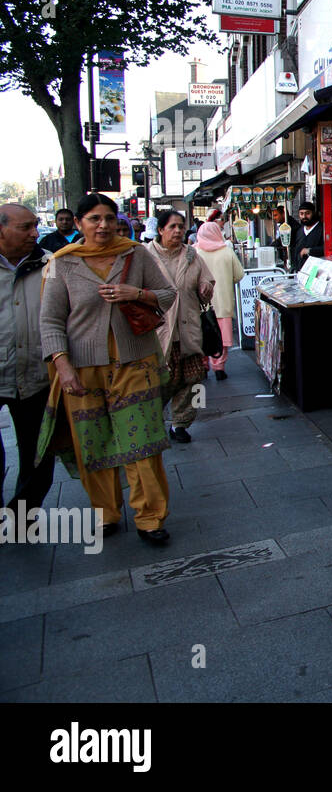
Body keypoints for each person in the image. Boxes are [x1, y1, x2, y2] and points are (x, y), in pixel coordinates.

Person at [37, 193, 177, 545]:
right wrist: (62, 366)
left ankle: (151, 518)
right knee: (94, 443)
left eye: (109, 218)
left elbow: (167, 294)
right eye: (94, 219)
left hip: (135, 362)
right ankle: (106, 512)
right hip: (83, 369)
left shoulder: (135, 253)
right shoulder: (62, 263)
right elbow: (51, 321)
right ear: (79, 223)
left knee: (142, 443)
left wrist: (137, 293)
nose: (103, 225)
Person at [0, 204, 56, 516]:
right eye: (25, 227)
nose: (35, 233)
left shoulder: (50, 265)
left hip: (36, 374)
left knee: (38, 455)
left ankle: (21, 517)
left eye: (35, 226)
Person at [148, 211, 214, 442]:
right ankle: (153, 421)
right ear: (160, 230)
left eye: (181, 227)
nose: (178, 231)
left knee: (194, 382)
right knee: (161, 383)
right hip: (160, 332)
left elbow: (207, 279)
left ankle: (182, 423)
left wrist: (206, 288)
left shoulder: (192, 255)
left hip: (189, 329)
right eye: (172, 226)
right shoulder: (145, 256)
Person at [193, 221, 245, 380]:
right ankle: (219, 367)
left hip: (199, 304)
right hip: (223, 302)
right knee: (221, 336)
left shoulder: (194, 252)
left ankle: (203, 366)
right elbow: (239, 275)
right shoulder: (227, 251)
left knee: (200, 335)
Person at [292, 202, 324, 272]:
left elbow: (328, 248)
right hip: (301, 271)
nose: (304, 217)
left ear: (313, 213)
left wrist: (309, 251)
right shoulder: (299, 231)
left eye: (307, 213)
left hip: (317, 270)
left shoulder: (323, 229)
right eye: (301, 214)